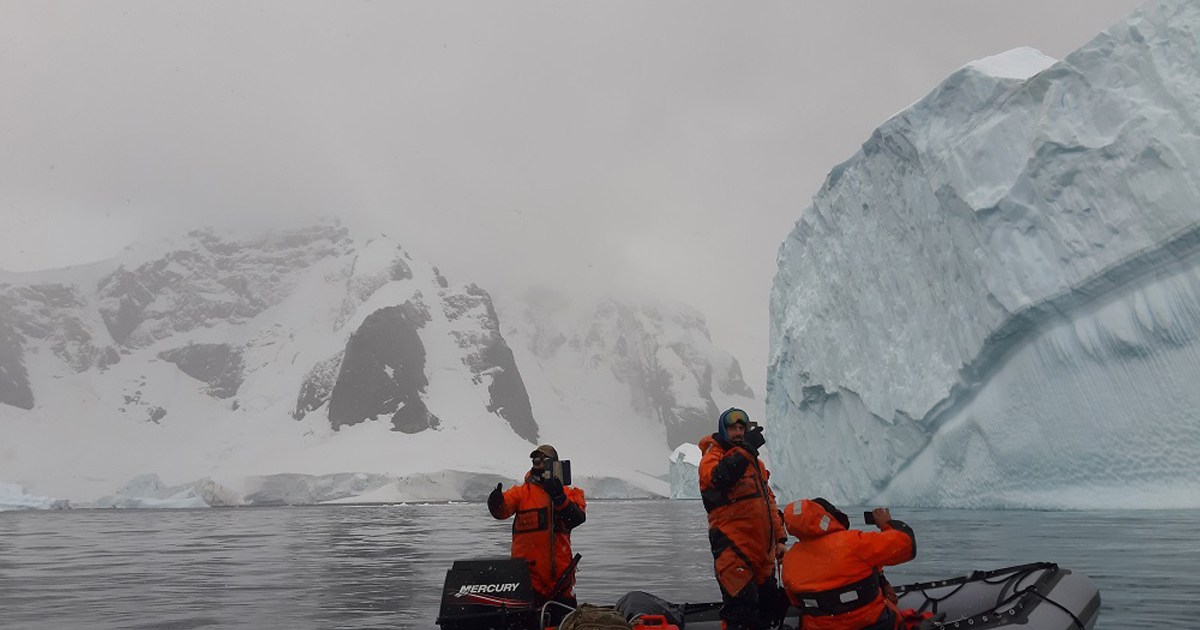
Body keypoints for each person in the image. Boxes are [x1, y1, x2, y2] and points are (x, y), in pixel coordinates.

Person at [699, 407, 789, 630]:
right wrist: (747, 448)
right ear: (722, 430)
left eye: (742, 428)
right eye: (733, 428)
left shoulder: (755, 464)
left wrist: (780, 538)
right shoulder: (712, 457)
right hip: (734, 552)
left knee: (768, 611)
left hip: (763, 553)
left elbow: (768, 502)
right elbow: (720, 478)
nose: (738, 433)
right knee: (741, 615)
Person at [780, 499, 916, 630]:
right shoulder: (853, 543)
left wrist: (881, 580)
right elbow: (906, 545)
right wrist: (886, 523)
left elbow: (796, 602)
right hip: (872, 624)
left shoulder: (789, 561)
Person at [488, 444, 587, 625]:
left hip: (561, 584)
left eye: (544, 460)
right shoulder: (521, 493)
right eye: (536, 460)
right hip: (527, 583)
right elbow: (502, 511)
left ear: (555, 464)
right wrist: (495, 502)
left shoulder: (569, 494)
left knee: (566, 625)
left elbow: (577, 518)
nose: (539, 464)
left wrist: (559, 497)